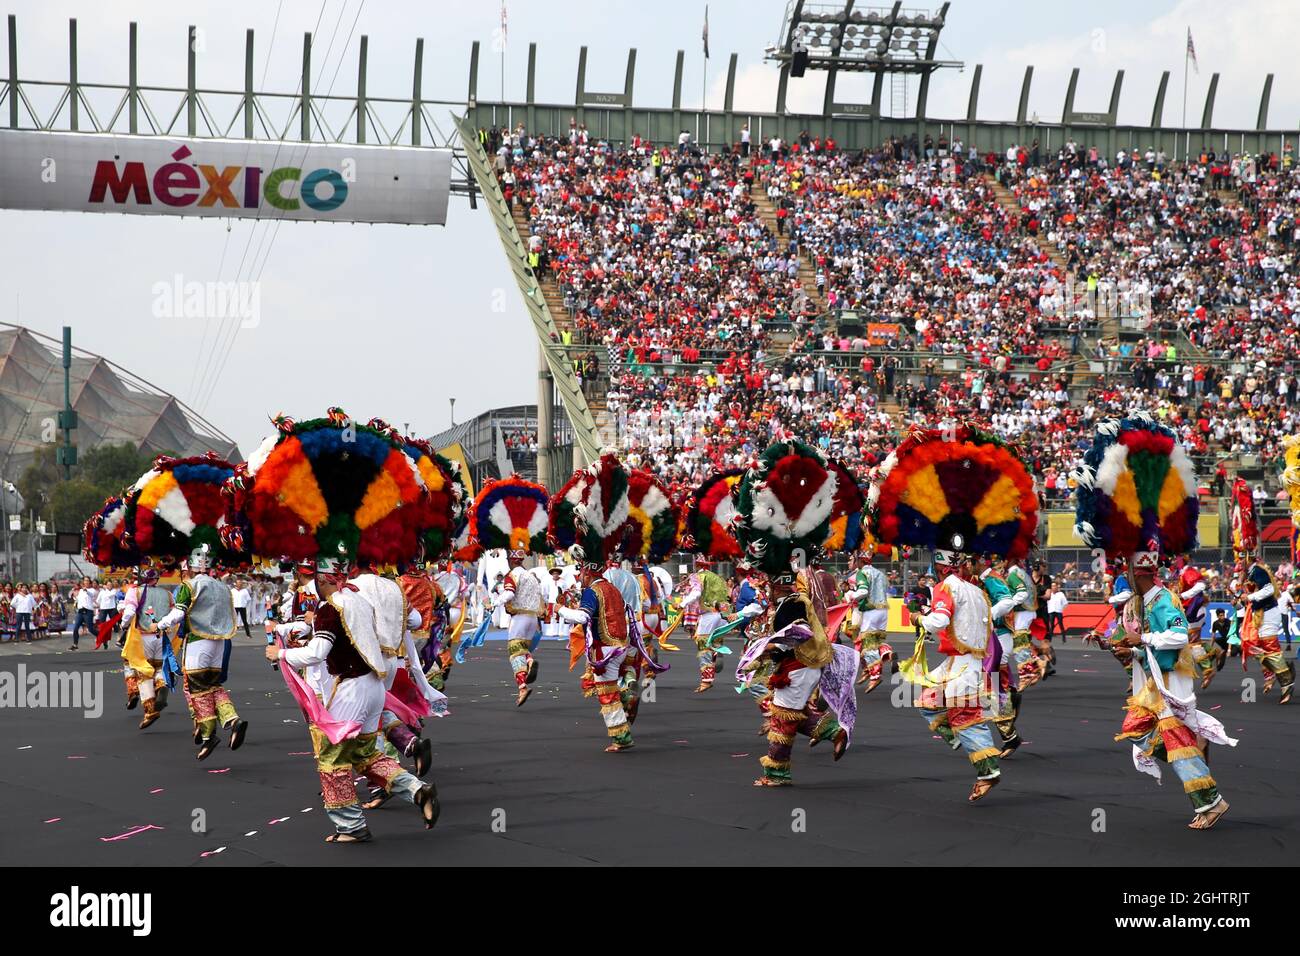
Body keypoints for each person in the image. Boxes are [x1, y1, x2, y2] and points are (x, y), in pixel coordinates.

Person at [266, 555, 438, 843]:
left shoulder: (331, 609)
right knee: (366, 755)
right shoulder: (360, 601)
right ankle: (417, 790)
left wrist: (280, 654)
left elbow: (316, 653)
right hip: (375, 687)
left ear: (322, 580)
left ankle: (350, 827)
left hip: (352, 690)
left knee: (332, 760)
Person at [1111, 547, 1236, 829]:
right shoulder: (1144, 602)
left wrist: (1140, 638)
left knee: (1177, 746)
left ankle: (1212, 803)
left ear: (1137, 574)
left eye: (1128, 573)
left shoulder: (1163, 599)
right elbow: (1149, 648)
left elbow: (1178, 637)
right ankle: (1193, 746)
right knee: (1135, 729)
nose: (1126, 578)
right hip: (1152, 685)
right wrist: (1131, 652)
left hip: (1169, 685)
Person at [152, 544, 248, 760]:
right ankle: (232, 720)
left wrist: (160, 624)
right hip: (220, 643)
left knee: (197, 688)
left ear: (191, 567)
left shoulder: (190, 585)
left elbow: (178, 614)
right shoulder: (222, 587)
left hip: (198, 642)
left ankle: (208, 736)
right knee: (213, 685)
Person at [117, 567, 177, 728]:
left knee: (142, 673)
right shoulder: (168, 594)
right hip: (162, 637)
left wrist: (123, 625)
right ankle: (162, 685)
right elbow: (175, 616)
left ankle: (150, 711)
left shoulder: (134, 592)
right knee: (159, 668)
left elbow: (129, 612)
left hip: (143, 637)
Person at [1238, 558, 1295, 704]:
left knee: (1270, 647)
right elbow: (1249, 598)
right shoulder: (1250, 573)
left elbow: (1269, 589)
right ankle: (1281, 671)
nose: (1238, 561)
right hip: (1258, 614)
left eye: (1240, 557)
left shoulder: (1258, 571)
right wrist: (1240, 601)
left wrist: (1249, 597)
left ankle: (1286, 682)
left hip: (1268, 613)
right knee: (1252, 645)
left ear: (1247, 558)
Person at [679, 556, 731, 693]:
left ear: (697, 565)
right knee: (714, 642)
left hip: (708, 615)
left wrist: (682, 604)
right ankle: (717, 652)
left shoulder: (697, 576)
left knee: (703, 647)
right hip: (723, 615)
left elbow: (696, 593)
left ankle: (706, 680)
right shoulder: (717, 577)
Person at [844, 549, 892, 693]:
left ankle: (875, 675)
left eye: (856, 559)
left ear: (861, 560)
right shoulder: (880, 574)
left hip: (870, 611)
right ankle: (880, 658)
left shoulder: (861, 573)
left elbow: (863, 591)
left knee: (867, 644)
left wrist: (851, 595)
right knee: (873, 642)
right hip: (883, 611)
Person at [69, 578, 97, 650]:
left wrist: (86, 590)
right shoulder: (81, 591)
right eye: (85, 581)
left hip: (88, 611)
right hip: (80, 612)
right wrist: (74, 596)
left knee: (90, 629)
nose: (86, 582)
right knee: (75, 628)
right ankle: (75, 644)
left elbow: (91, 595)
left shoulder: (92, 590)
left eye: (87, 581)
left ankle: (101, 637)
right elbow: (78, 599)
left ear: (90, 583)